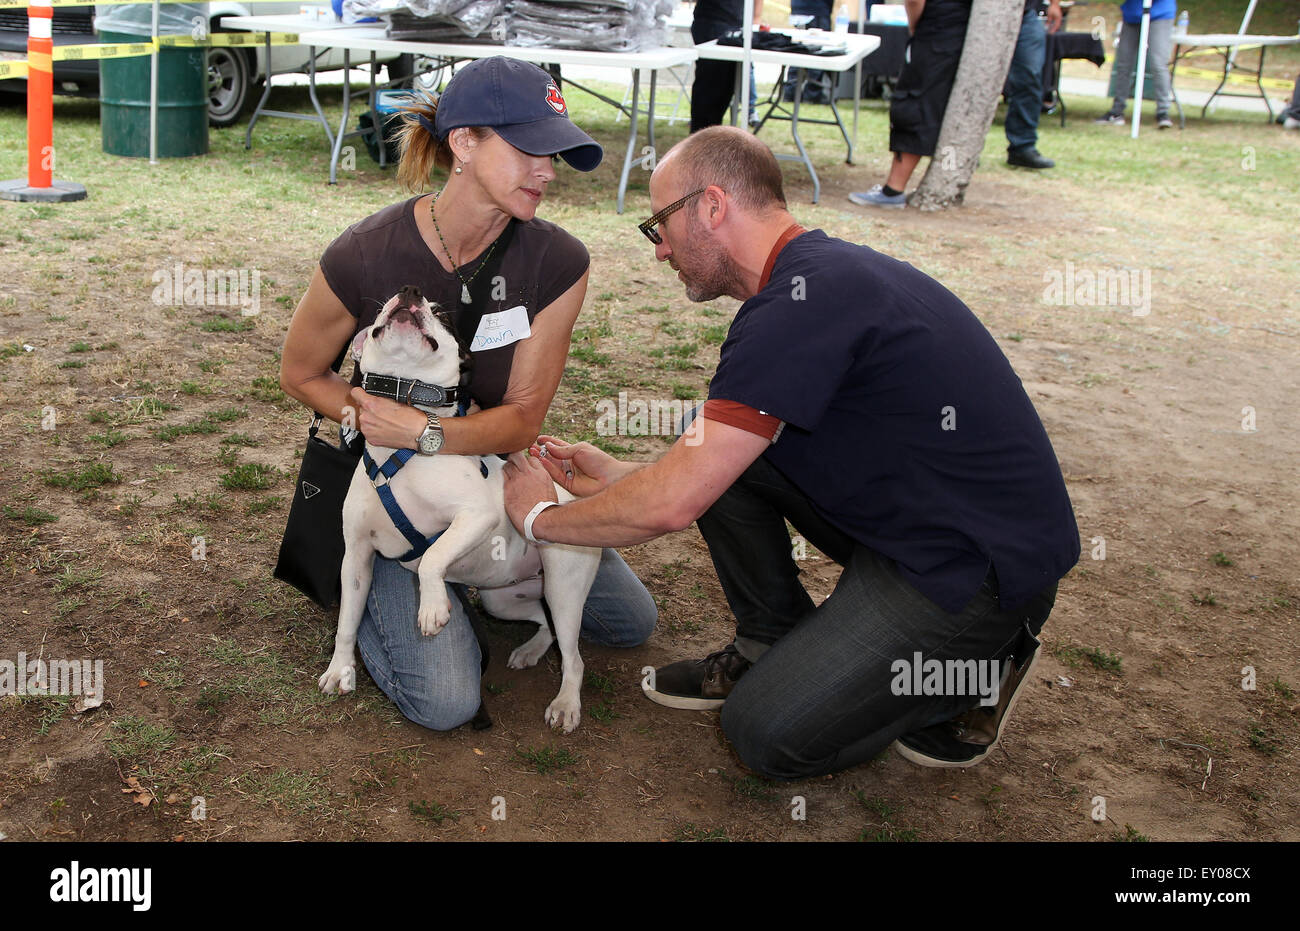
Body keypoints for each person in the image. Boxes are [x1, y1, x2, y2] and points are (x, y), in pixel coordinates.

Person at [503, 126, 1080, 779]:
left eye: (659, 224)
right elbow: (700, 470)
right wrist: (620, 479)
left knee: (764, 731)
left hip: (978, 575)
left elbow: (672, 505)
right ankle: (768, 639)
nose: (659, 250)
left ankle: (975, 669)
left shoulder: (797, 306)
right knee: (713, 436)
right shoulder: (813, 279)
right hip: (929, 529)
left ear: (712, 206)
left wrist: (537, 520)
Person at [279, 56, 657, 732]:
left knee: (630, 623)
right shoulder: (365, 251)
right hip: (391, 488)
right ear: (465, 144)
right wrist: (371, 420)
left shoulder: (558, 262)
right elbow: (301, 372)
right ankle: (375, 585)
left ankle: (478, 566)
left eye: (557, 153)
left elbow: (521, 421)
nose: (548, 170)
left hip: (479, 472)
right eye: (530, 149)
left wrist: (425, 434)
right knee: (448, 702)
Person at [848, 0, 972, 208]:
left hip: (934, 32)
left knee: (913, 104)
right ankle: (895, 188)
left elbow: (914, 1)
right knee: (927, 105)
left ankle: (893, 190)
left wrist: (914, 26)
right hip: (955, 33)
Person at [1095, 0, 1175, 129]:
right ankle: (1117, 111)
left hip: (1160, 14)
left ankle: (1163, 112)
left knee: (1158, 63)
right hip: (1132, 14)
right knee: (1123, 63)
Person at [690, 0, 765, 132]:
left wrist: (756, 18)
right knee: (711, 88)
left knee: (724, 89)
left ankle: (710, 135)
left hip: (735, 22)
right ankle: (702, 136)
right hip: (713, 21)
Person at [1004, 0, 1063, 169]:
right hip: (981, 13)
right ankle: (967, 147)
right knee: (978, 79)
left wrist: (1054, 4)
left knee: (1030, 77)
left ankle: (1023, 147)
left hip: (1025, 13)